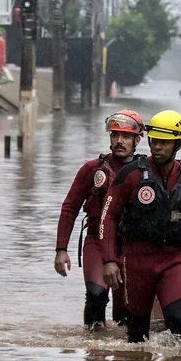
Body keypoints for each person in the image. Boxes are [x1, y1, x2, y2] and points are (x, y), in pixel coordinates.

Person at [100, 110, 181, 342]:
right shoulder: (131, 175)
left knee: (178, 321)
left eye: (164, 143)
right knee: (136, 334)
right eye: (155, 141)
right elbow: (108, 217)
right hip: (137, 261)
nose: (157, 147)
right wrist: (109, 260)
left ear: (177, 145)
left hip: (173, 260)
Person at [54, 109, 145, 329]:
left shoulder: (147, 172)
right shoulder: (91, 170)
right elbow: (70, 208)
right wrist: (61, 249)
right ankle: (94, 355)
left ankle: (125, 360)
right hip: (97, 241)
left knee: (127, 311)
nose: (119, 141)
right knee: (96, 296)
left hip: (132, 245)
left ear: (137, 140)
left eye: (125, 136)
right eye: (115, 135)